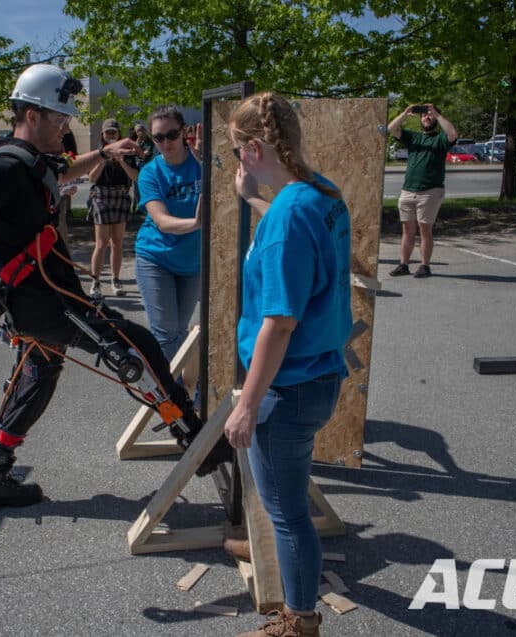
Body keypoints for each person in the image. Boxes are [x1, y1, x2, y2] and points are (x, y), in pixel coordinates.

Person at [0, 64, 232, 514]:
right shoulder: (2, 166)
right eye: (60, 119)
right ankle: (196, 440)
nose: (66, 126)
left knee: (39, 375)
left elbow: (64, 170)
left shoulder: (30, 161)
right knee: (134, 346)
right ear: (32, 116)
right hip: (46, 298)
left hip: (39, 297)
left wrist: (107, 152)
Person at [224, 93, 352, 637]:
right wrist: (255, 199)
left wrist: (247, 405)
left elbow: (278, 324)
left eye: (235, 151)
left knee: (290, 514)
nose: (234, 161)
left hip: (288, 386)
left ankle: (299, 621)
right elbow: (290, 229)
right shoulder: (319, 193)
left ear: (255, 148)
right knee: (284, 502)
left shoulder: (288, 217)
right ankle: (274, 547)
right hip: (316, 376)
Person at [135, 106, 203, 361]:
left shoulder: (202, 164)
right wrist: (197, 223)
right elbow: (162, 221)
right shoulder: (150, 172)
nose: (165, 142)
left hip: (191, 263)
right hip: (156, 258)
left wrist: (207, 163)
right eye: (158, 138)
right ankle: (170, 396)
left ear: (184, 132)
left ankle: (174, 391)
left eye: (171, 135)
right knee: (166, 334)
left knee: (178, 333)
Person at [387, 103, 457, 278]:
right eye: (424, 115)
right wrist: (405, 112)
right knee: (407, 231)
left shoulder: (440, 139)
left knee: (425, 230)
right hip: (408, 191)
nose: (427, 117)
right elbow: (392, 128)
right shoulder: (414, 137)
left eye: (430, 115)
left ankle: (425, 266)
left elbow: (453, 134)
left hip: (430, 191)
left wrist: (437, 113)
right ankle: (404, 264)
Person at [87, 117, 137, 299]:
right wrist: (103, 159)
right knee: (101, 243)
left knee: (117, 242)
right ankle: (95, 281)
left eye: (113, 132)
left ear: (118, 134)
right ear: (102, 134)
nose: (110, 135)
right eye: (107, 132)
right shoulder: (97, 153)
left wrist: (121, 160)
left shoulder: (128, 152)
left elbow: (135, 177)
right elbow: (92, 178)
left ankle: (115, 280)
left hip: (121, 195)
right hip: (101, 196)